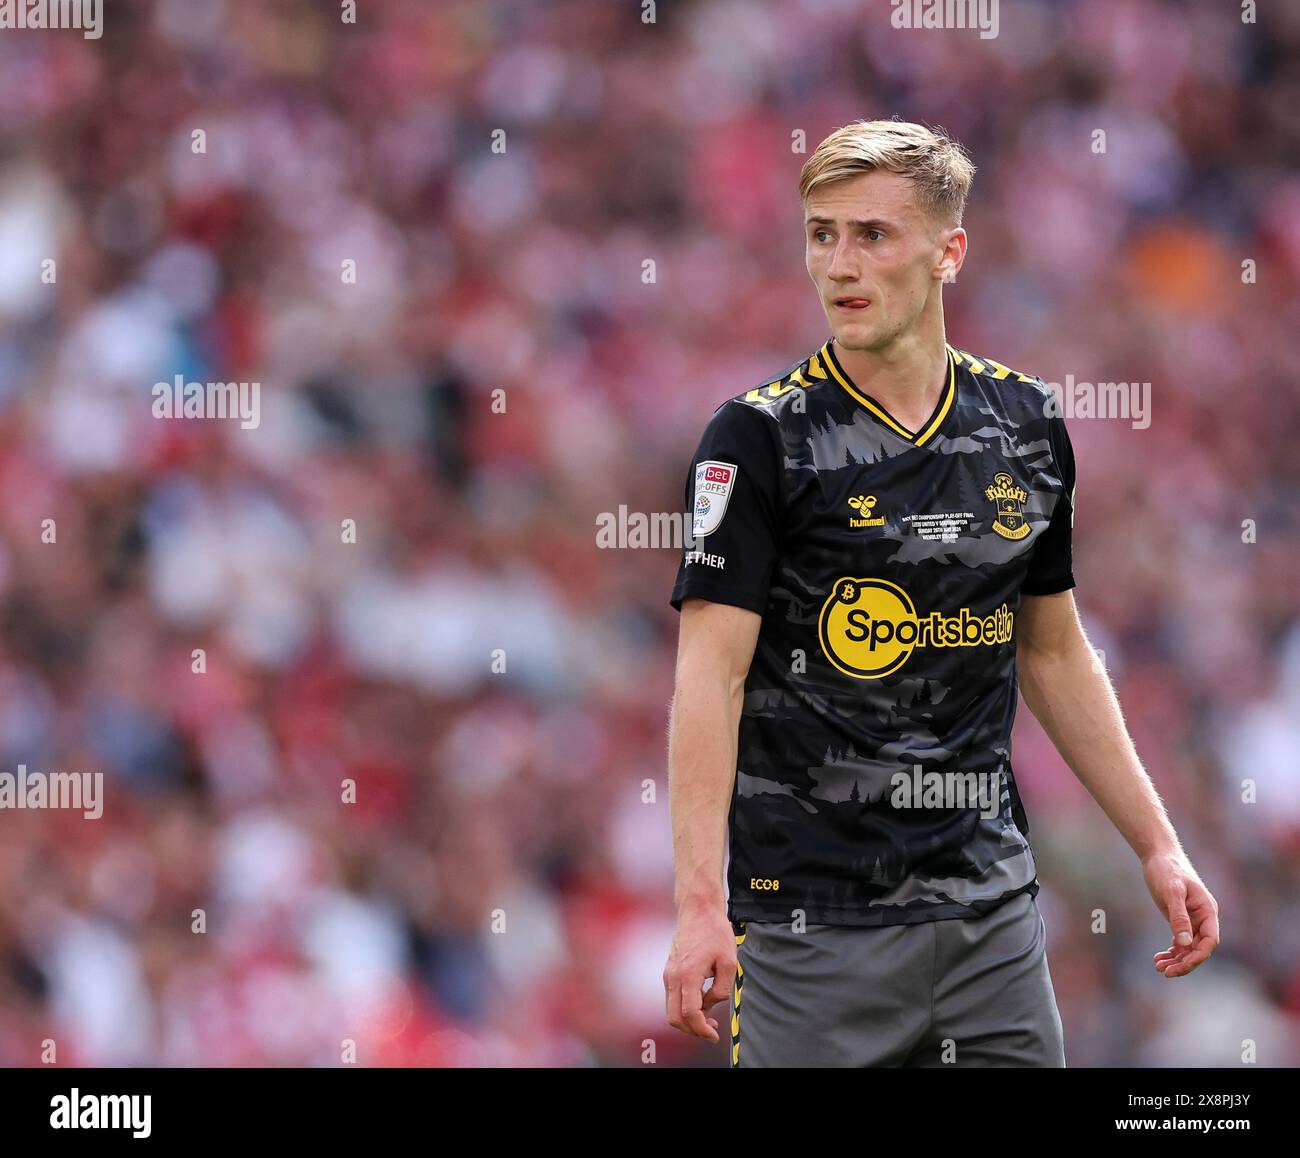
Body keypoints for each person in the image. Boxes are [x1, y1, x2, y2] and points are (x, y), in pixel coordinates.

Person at [661, 118, 1220, 1068]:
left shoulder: (1028, 423)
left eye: (873, 234)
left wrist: (1157, 845)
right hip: (810, 928)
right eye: (822, 233)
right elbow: (707, 678)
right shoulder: (758, 439)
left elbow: (1051, 650)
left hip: (989, 920)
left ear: (948, 251)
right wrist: (697, 903)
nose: (840, 263)